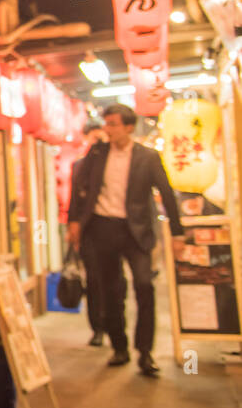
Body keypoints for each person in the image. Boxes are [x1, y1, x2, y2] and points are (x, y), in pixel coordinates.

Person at [67, 104, 185, 376]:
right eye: (106, 123)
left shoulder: (148, 157)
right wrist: (74, 222)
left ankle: (145, 352)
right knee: (111, 289)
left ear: (129, 127)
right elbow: (79, 188)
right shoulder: (97, 153)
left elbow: (167, 194)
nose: (107, 129)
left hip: (137, 230)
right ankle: (118, 346)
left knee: (144, 285)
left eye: (113, 124)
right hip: (102, 228)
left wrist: (177, 234)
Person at [71, 120, 123, 346]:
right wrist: (73, 226)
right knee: (93, 280)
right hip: (90, 231)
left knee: (115, 282)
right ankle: (98, 328)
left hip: (118, 231)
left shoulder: (118, 164)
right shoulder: (80, 166)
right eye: (93, 138)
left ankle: (115, 326)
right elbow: (74, 200)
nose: (98, 142)